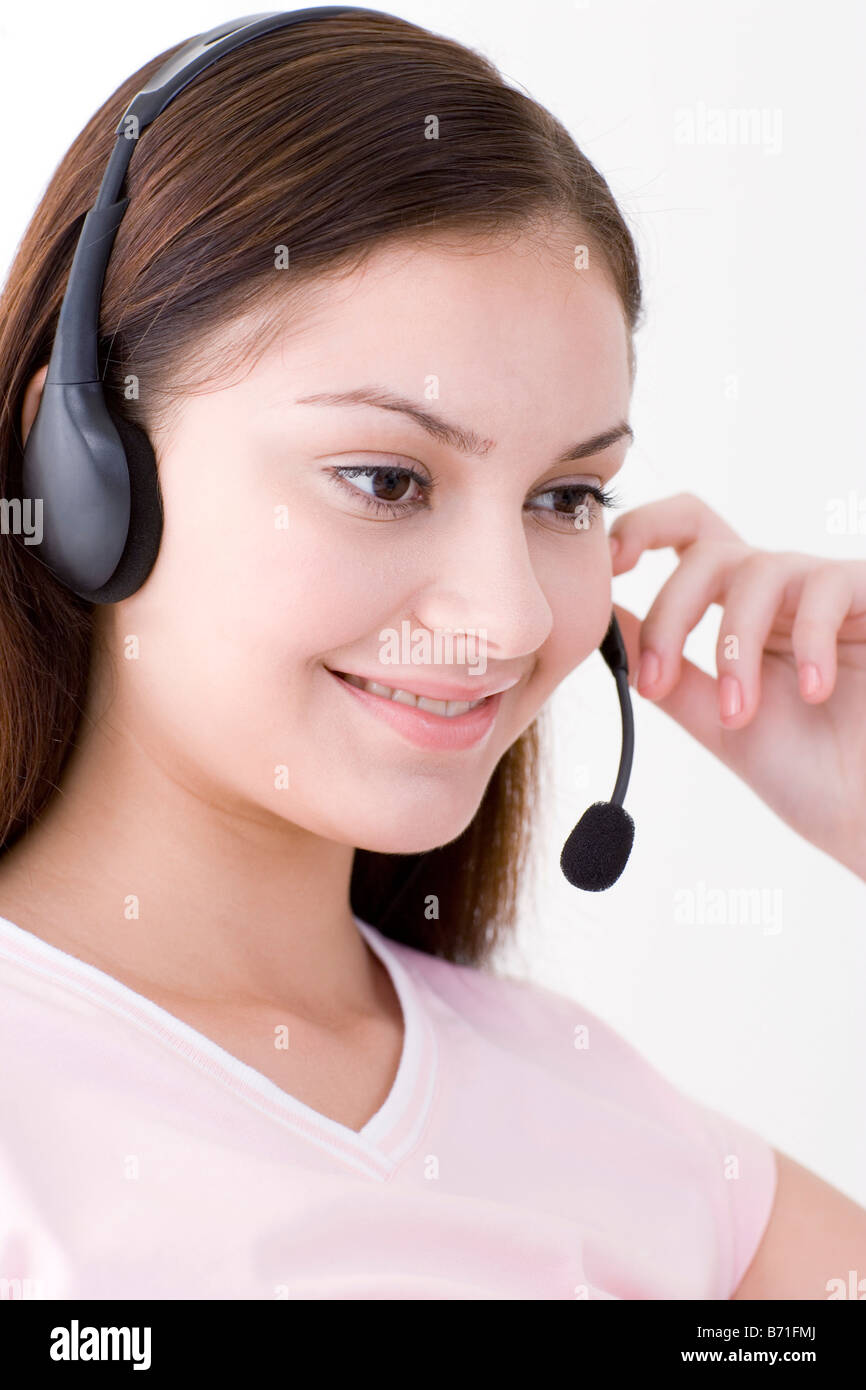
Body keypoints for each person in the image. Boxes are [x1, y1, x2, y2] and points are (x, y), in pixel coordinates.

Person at [0, 8, 863, 1301]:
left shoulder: (621, 1129)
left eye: (566, 497)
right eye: (386, 478)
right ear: (86, 473)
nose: (512, 620)